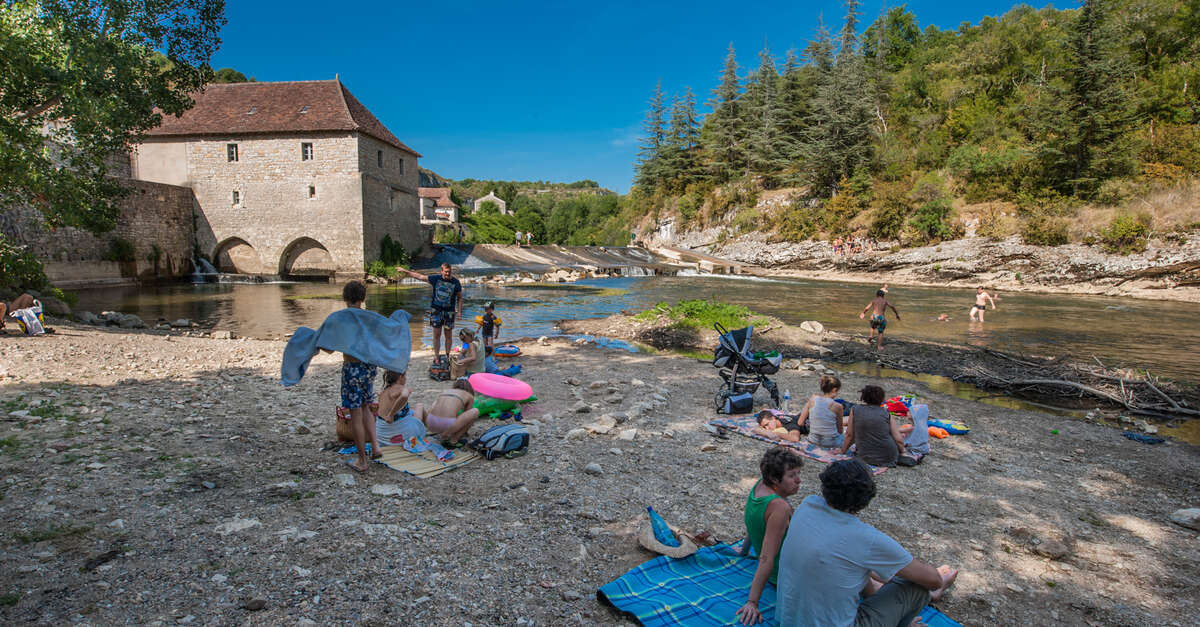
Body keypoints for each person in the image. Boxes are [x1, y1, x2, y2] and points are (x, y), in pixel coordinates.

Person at [776, 460, 959, 627]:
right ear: (866, 499)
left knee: (858, 568)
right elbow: (933, 580)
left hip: (788, 621)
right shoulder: (866, 538)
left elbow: (842, 562)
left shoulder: (807, 506)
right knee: (916, 586)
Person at [736, 447, 804, 626]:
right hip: (786, 575)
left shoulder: (760, 485)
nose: (799, 480)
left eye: (798, 473)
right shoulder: (779, 507)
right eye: (792, 475)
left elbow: (753, 524)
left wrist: (743, 551)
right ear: (775, 479)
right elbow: (766, 558)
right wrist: (752, 602)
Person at [332, 281, 380, 473]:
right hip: (369, 366)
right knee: (366, 407)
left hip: (352, 367)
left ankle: (362, 460)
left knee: (355, 413)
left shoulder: (341, 319)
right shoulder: (371, 318)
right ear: (363, 297)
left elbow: (330, 346)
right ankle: (375, 447)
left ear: (345, 298)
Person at [396, 262, 462, 365]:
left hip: (449, 312)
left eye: (449, 272)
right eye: (446, 272)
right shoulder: (435, 279)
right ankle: (436, 356)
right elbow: (420, 276)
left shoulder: (455, 282)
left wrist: (459, 311)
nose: (447, 274)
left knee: (448, 335)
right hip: (436, 311)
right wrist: (406, 272)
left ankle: (448, 355)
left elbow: (460, 298)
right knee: (436, 335)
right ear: (441, 271)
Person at [840, 385, 906, 468]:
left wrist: (842, 451)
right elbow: (898, 439)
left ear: (863, 397)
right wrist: (903, 451)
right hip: (888, 457)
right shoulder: (886, 413)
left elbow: (850, 435)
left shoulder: (855, 409)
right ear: (882, 399)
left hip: (864, 457)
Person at [412, 378, 481, 446]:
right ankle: (453, 439)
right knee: (475, 411)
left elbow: (432, 408)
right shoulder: (469, 395)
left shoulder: (445, 391)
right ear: (469, 389)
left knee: (419, 405)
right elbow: (467, 414)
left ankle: (414, 433)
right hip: (446, 424)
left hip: (431, 423)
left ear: (454, 386)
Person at [374, 370, 425, 446]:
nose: (406, 379)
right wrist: (391, 414)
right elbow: (404, 396)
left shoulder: (383, 391)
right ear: (401, 377)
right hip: (402, 436)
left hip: (381, 437)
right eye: (405, 376)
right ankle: (433, 429)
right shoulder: (402, 388)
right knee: (419, 406)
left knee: (410, 411)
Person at [798, 375, 845, 448]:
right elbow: (840, 431)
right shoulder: (837, 406)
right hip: (830, 443)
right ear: (834, 390)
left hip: (812, 440)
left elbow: (800, 422)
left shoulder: (812, 401)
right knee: (847, 435)